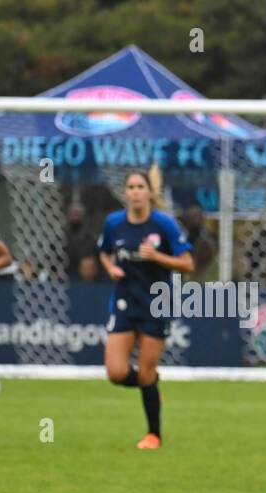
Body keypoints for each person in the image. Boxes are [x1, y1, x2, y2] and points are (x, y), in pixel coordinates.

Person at [96, 169, 195, 449]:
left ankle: (154, 435)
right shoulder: (113, 223)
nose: (136, 191)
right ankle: (149, 387)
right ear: (125, 192)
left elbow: (187, 264)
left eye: (141, 186)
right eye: (131, 186)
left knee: (145, 371)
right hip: (125, 303)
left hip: (156, 304)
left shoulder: (164, 225)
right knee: (116, 372)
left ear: (150, 193)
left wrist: (157, 256)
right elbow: (103, 252)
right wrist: (110, 267)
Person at [65, 204, 99, 282]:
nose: (75, 217)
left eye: (78, 214)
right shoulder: (61, 236)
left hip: (85, 275)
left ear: (83, 216)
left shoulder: (90, 237)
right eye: (73, 213)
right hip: (65, 272)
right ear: (68, 215)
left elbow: (95, 256)